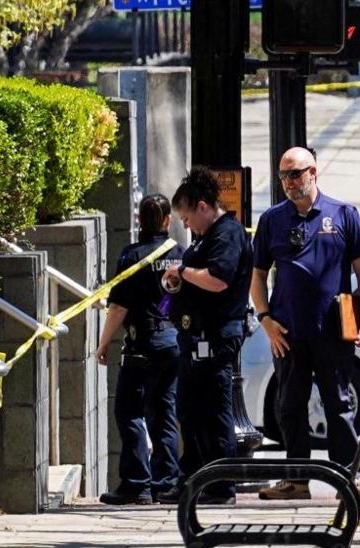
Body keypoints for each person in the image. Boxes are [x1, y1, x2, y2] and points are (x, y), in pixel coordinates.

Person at [251, 147, 360, 500]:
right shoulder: (272, 220)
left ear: (313, 172)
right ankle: (295, 480)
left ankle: (348, 478)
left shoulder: (343, 214)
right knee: (289, 407)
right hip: (288, 332)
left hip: (333, 330)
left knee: (339, 405)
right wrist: (266, 320)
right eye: (282, 176)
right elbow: (257, 276)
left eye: (295, 174)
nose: (289, 183)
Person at [155, 166, 253, 505]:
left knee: (214, 412)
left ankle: (220, 484)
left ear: (202, 206)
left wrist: (182, 270)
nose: (185, 225)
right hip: (193, 338)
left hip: (214, 338)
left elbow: (218, 279)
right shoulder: (206, 238)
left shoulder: (227, 235)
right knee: (190, 411)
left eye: (186, 217)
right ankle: (194, 479)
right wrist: (176, 282)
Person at [96, 194, 184, 505]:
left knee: (129, 411)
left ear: (138, 221)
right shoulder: (178, 253)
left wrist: (103, 343)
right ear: (166, 221)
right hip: (173, 343)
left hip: (142, 345)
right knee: (164, 412)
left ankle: (136, 484)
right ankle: (166, 482)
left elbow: (118, 306)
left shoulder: (132, 256)